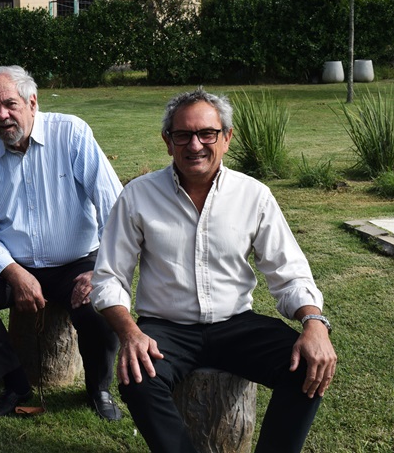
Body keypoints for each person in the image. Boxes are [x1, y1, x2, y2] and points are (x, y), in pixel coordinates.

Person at [91, 88, 338, 452]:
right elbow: (109, 277)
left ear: (227, 138)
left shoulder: (253, 195)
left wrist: (315, 323)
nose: (195, 145)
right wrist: (130, 333)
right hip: (166, 329)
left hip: (236, 324)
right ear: (168, 141)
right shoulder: (138, 196)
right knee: (137, 379)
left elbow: (290, 272)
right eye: (183, 135)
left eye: (207, 133)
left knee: (306, 366)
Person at [0, 65, 124, 420]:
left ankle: (98, 388)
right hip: (17, 264)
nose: (2, 115)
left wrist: (103, 269)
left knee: (100, 302)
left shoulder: (70, 133)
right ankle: (15, 383)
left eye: (9, 104)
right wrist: (13, 272)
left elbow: (113, 205)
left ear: (32, 102)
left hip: (77, 261)